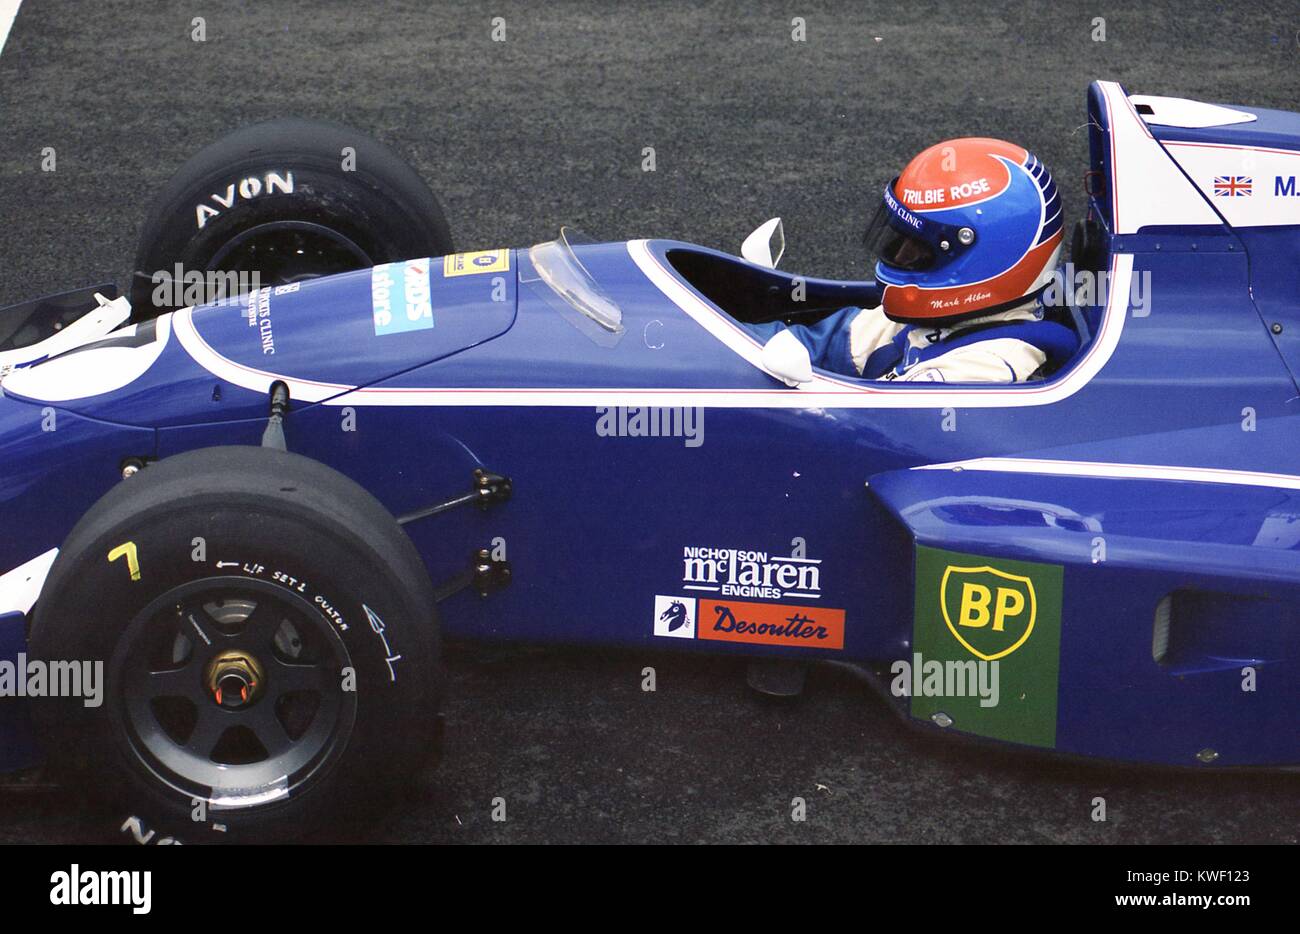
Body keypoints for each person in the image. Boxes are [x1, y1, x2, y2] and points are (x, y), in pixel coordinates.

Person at [754, 137, 1077, 382]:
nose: (899, 257)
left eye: (919, 250)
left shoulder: (986, 370)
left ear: (980, 262)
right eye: (898, 241)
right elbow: (822, 345)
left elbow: (867, 433)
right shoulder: (918, 317)